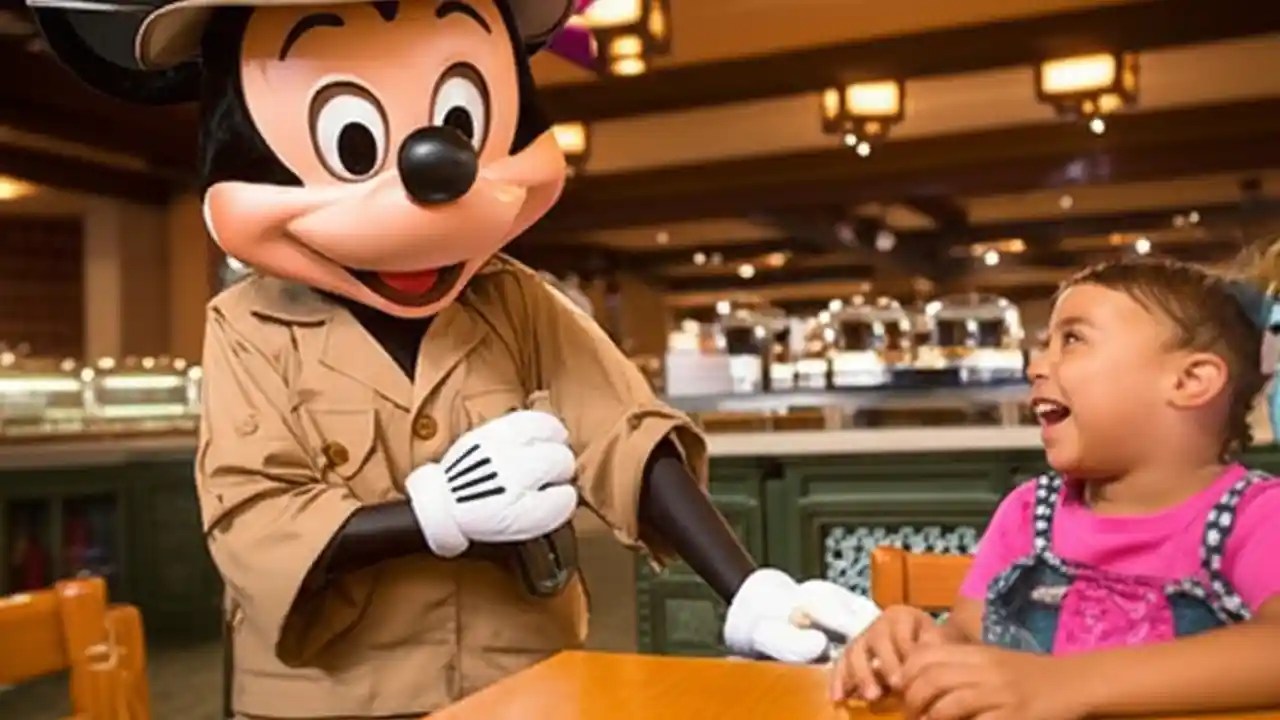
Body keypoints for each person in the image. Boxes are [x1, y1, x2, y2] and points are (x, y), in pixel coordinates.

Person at [28, 1, 880, 718]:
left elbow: (623, 435)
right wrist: (433, 513)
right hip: (330, 698)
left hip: (527, 681)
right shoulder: (247, 327)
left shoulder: (518, 300)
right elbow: (253, 524)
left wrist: (750, 588)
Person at [832, 248, 1280, 719]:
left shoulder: (1256, 518)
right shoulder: (1027, 513)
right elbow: (968, 632)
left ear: (1191, 380)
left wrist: (1065, 684)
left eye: (1073, 340)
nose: (1036, 366)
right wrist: (917, 643)